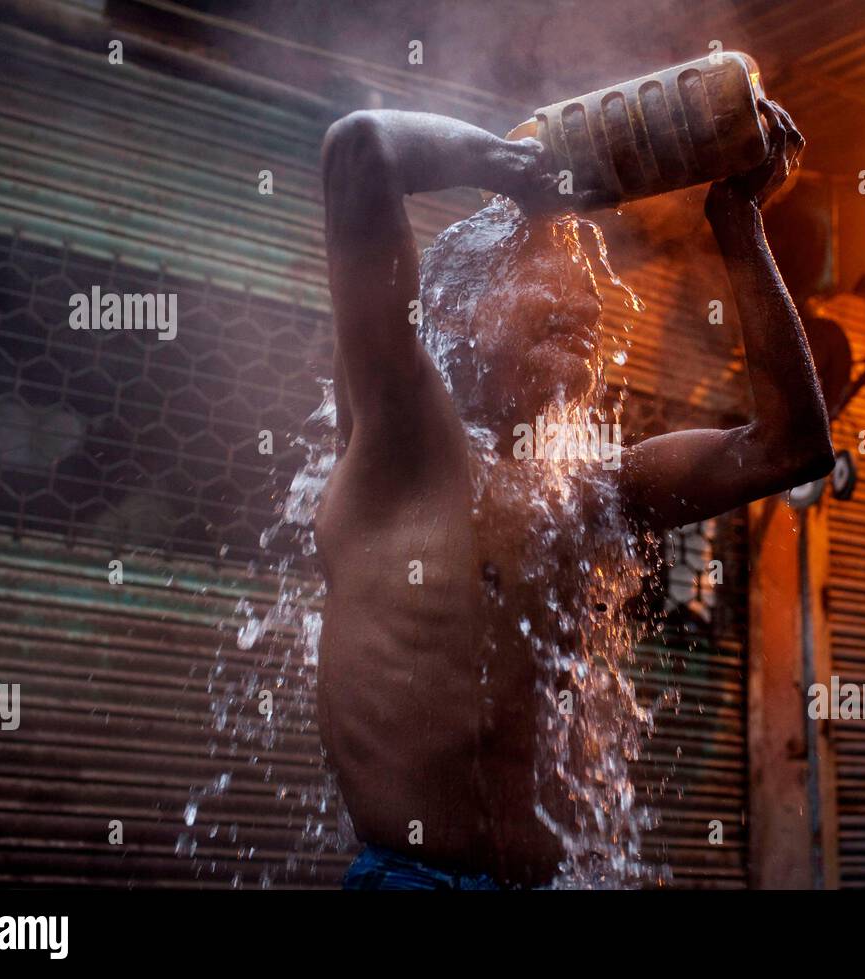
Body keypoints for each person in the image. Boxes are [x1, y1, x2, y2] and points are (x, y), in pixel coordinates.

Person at [315, 102, 832, 888]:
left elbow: (789, 446)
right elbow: (359, 150)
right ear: (459, 308)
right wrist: (501, 163)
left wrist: (738, 218)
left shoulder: (587, 491)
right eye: (542, 272)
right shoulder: (400, 438)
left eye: (587, 283)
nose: (585, 300)